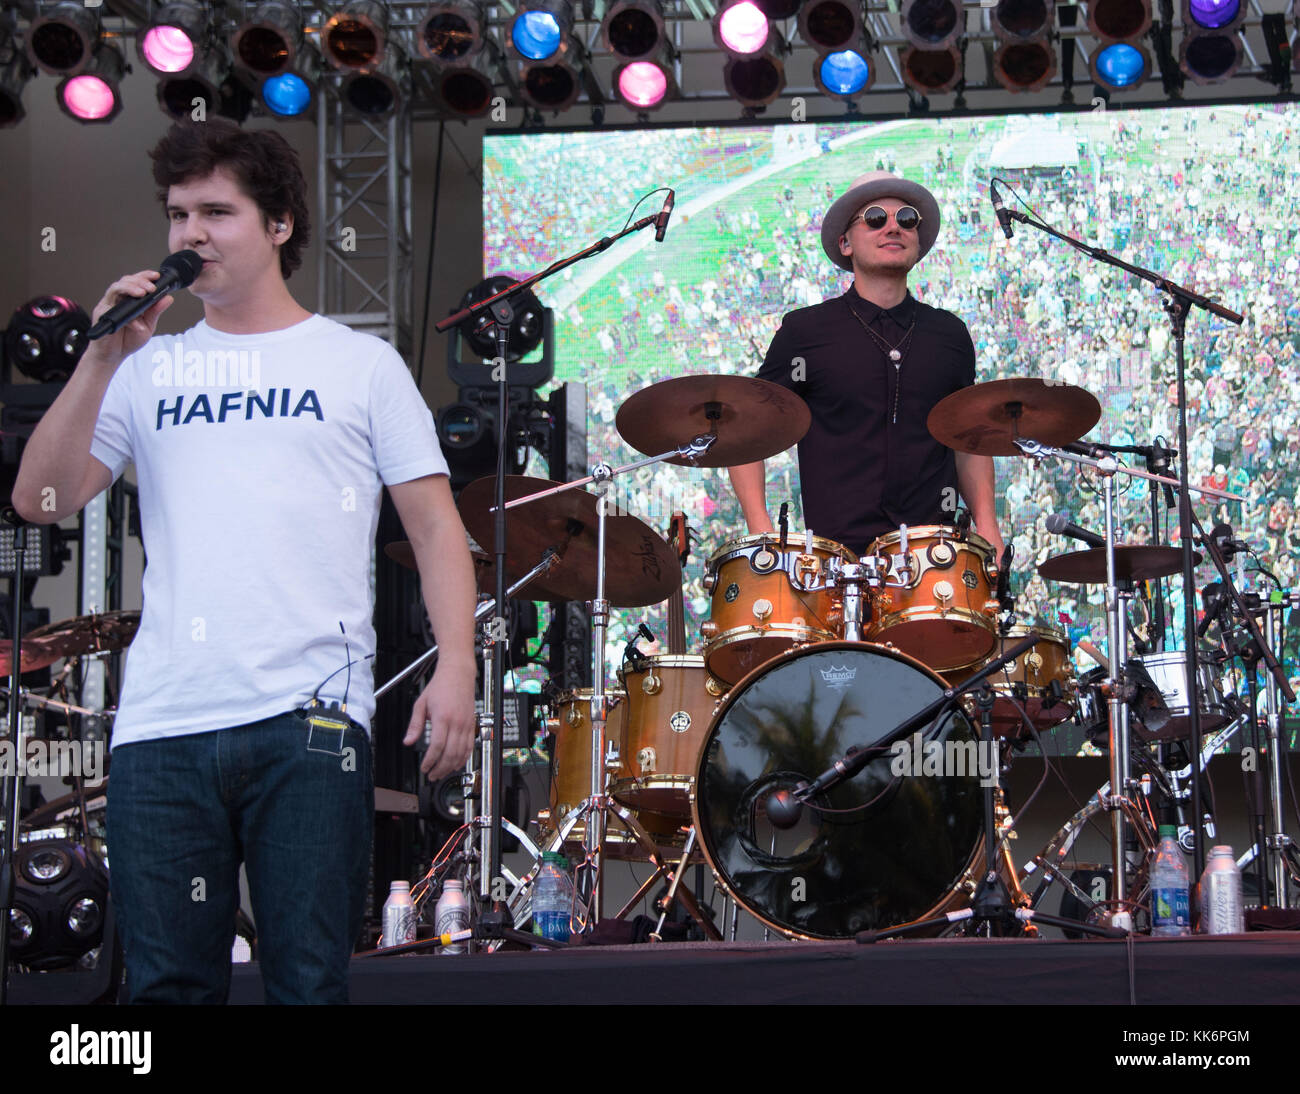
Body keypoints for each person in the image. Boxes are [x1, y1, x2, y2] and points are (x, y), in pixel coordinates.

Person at [12, 121, 477, 1004]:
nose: (191, 233)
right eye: (179, 213)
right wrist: (101, 357)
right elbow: (40, 500)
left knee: (306, 984)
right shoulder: (147, 370)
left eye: (218, 212)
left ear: (280, 226)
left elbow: (434, 528)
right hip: (162, 724)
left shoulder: (360, 365)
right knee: (164, 990)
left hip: (310, 723)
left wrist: (456, 665)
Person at [728, 170, 1005, 565]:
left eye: (907, 219)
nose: (893, 227)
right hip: (835, 568)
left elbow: (968, 440)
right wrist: (760, 527)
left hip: (936, 559)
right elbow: (747, 428)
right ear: (845, 243)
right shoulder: (805, 331)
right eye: (875, 218)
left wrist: (987, 524)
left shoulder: (950, 335)